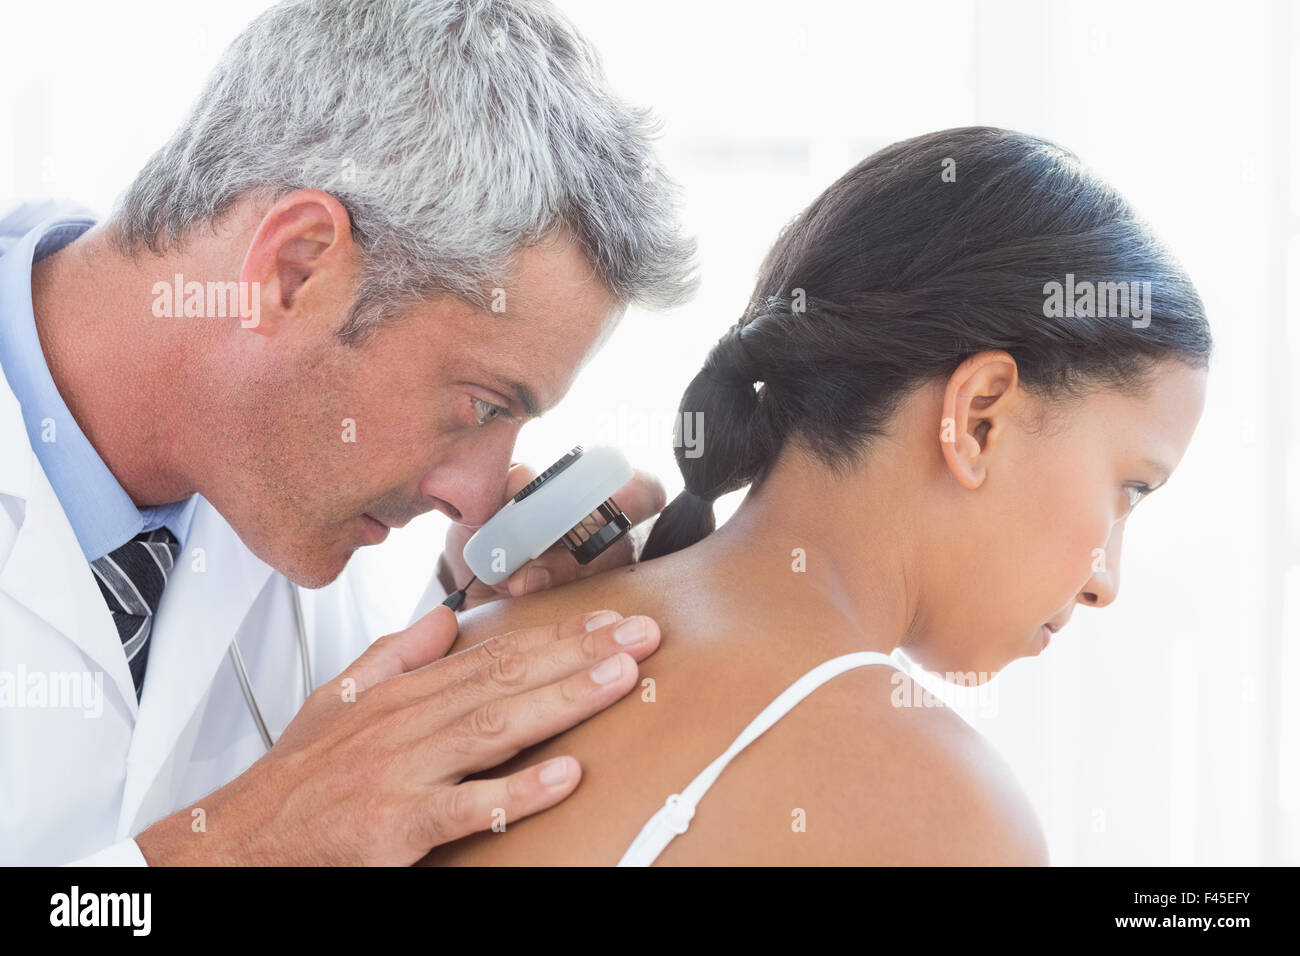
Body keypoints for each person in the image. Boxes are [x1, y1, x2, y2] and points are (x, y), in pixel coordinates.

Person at [0, 0, 698, 865]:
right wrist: (241, 850)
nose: (478, 497)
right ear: (294, 269)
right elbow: (283, 818)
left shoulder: (273, 488)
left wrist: (461, 615)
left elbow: (327, 777)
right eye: (483, 405)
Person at [421, 127, 1213, 866]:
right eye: (1129, 488)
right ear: (977, 420)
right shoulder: (947, 817)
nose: (1106, 581)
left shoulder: (456, 656)